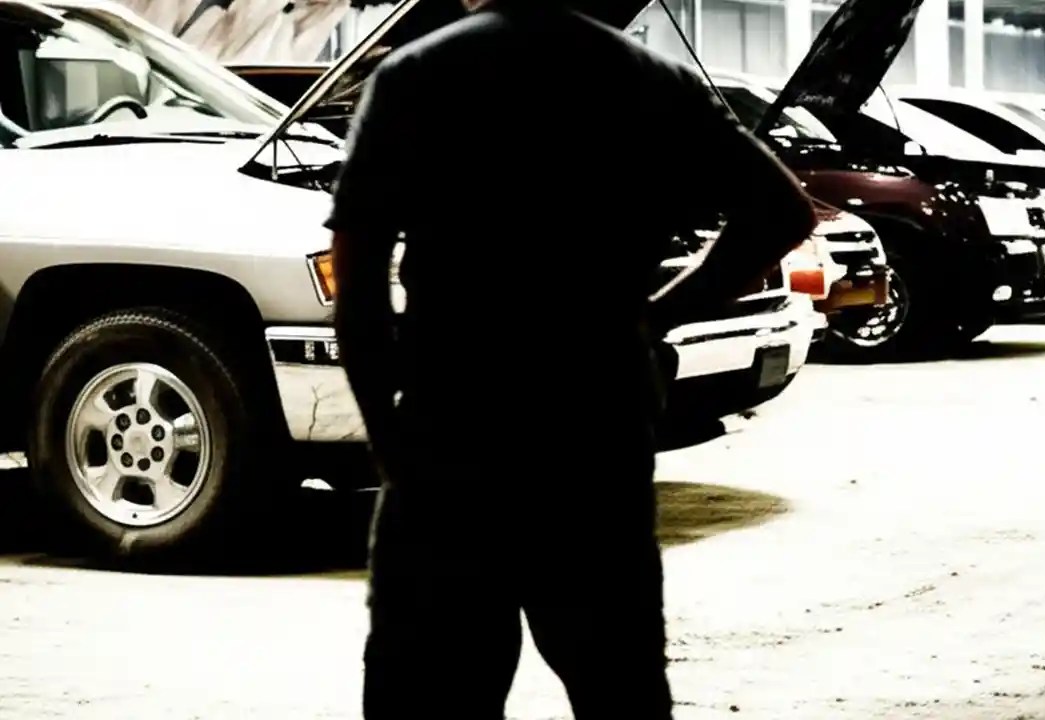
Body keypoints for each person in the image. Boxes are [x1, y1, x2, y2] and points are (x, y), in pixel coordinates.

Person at [324, 0, 817, 717]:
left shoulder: (418, 73)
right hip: (595, 433)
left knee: (428, 688)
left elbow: (359, 282)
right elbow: (782, 214)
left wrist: (387, 436)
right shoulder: (651, 78)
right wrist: (655, 315)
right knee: (616, 682)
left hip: (454, 430)